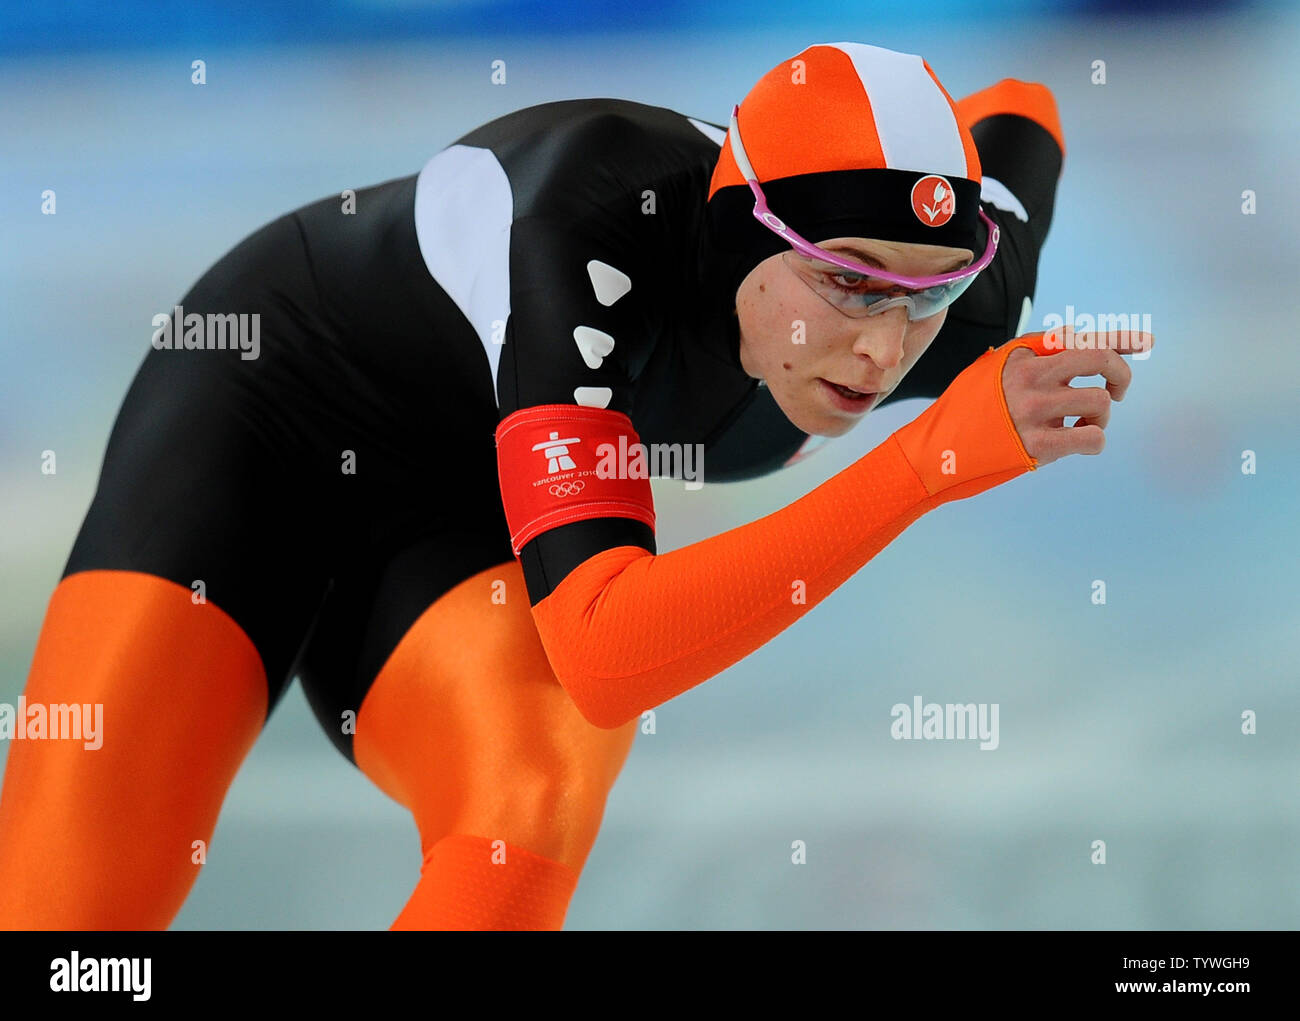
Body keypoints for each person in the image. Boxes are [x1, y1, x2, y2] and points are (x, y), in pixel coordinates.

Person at [0, 40, 1150, 931]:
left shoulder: (962, 296)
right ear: (737, 236)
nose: (882, 348)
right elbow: (608, 656)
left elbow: (1022, 113)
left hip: (458, 515)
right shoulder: (579, 220)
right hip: (266, 410)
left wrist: (945, 251)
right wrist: (923, 464)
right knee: (68, 932)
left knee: (524, 811)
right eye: (845, 289)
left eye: (924, 297)